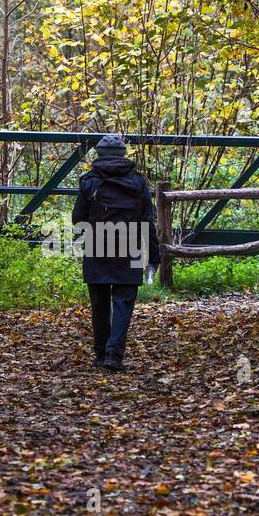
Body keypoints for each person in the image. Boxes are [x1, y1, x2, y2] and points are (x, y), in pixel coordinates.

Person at [72, 134, 160, 371]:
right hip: (130, 246)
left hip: (97, 245)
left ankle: (101, 355)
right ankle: (114, 355)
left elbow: (77, 219)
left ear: (98, 155)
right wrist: (154, 255)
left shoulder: (88, 181)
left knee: (99, 304)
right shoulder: (137, 182)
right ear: (123, 155)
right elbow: (147, 221)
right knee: (123, 303)